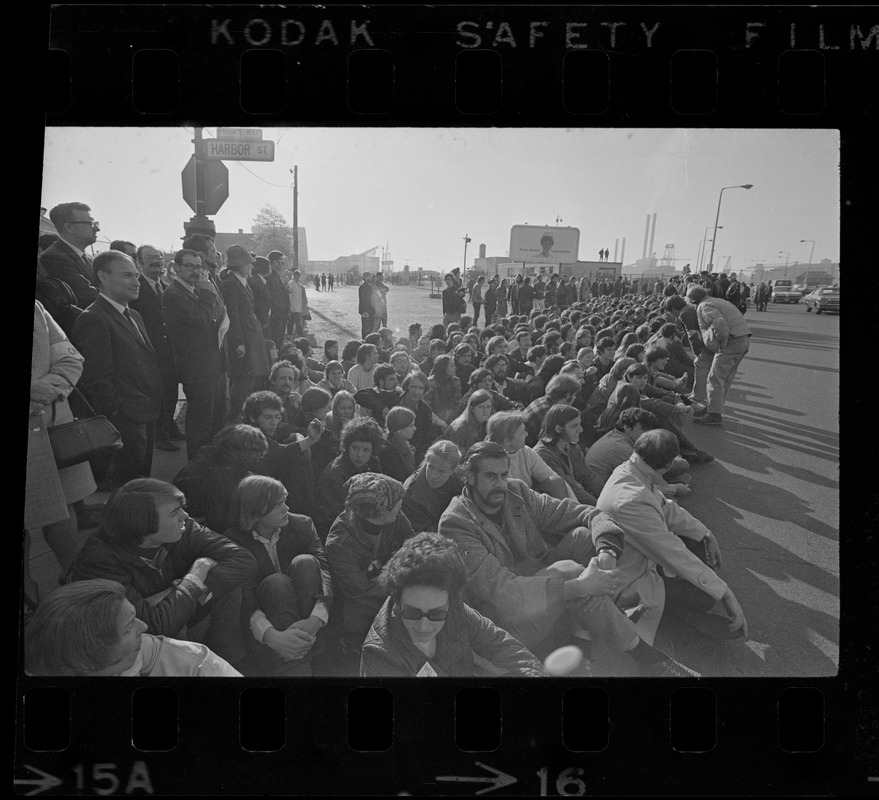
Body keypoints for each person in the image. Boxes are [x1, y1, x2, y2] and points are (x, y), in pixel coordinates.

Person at [438, 443, 699, 676]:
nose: (500, 484)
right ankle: (645, 654)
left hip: (539, 586)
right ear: (469, 477)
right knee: (568, 570)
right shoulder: (456, 524)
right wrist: (581, 586)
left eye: (504, 475)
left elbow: (588, 513)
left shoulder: (516, 493)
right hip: (503, 619)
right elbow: (503, 593)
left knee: (584, 538)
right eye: (490, 476)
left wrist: (606, 553)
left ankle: (581, 641)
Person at [69, 478, 257, 667]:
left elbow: (244, 560)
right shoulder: (99, 562)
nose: (185, 515)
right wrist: (196, 573)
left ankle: (234, 663)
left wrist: (179, 589)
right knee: (177, 630)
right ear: (143, 524)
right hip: (136, 649)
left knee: (230, 585)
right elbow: (155, 626)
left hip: (178, 614)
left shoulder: (184, 528)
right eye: (174, 512)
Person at [597, 429, 749, 644]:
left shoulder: (631, 471)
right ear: (668, 465)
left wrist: (706, 534)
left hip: (639, 559)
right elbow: (672, 552)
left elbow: (664, 507)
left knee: (697, 547)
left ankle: (678, 604)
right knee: (705, 596)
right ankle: (676, 613)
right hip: (629, 581)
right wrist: (725, 593)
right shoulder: (631, 500)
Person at [361, 531, 545, 677]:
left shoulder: (458, 611)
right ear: (396, 599)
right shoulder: (380, 657)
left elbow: (506, 648)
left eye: (437, 614)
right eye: (411, 612)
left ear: (452, 600)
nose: (424, 626)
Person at [224, 476, 333, 676]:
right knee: (277, 583)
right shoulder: (234, 539)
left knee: (306, 562)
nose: (286, 509)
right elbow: (245, 594)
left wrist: (316, 620)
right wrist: (273, 637)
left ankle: (296, 657)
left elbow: (324, 574)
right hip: (267, 617)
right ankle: (297, 662)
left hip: (307, 617)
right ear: (255, 513)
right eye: (277, 505)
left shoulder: (302, 525)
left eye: (284, 500)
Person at [71, 250, 162, 486]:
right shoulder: (94, 318)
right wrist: (119, 415)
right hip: (126, 419)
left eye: (136, 275)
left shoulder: (134, 315)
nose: (136, 282)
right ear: (103, 276)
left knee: (141, 482)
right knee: (128, 487)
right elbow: (96, 378)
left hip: (144, 411)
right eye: (127, 276)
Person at [25, 579, 241, 677]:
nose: (145, 626)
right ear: (86, 661)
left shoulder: (195, 666)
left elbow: (200, 663)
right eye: (129, 628)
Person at [27, 301, 98, 579]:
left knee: (62, 505)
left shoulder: (37, 308)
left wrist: (48, 388)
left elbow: (70, 358)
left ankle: (73, 578)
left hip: (51, 424)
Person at [325, 473, 414, 650]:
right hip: (362, 603)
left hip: (391, 586)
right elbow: (360, 592)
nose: (400, 507)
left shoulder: (394, 516)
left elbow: (413, 548)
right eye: (397, 505)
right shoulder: (339, 543)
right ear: (379, 513)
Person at [162, 249, 224, 460]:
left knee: (209, 419)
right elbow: (200, 320)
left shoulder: (192, 290)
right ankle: (197, 465)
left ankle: (204, 461)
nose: (195, 271)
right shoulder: (174, 294)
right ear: (177, 267)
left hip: (208, 363)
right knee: (200, 421)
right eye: (189, 266)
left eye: (198, 267)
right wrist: (207, 294)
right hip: (196, 367)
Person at [129, 244, 184, 451]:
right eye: (150, 258)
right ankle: (160, 435)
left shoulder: (166, 286)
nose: (156, 262)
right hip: (150, 350)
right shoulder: (137, 287)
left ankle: (170, 426)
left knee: (170, 391)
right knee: (157, 393)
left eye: (159, 258)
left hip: (168, 350)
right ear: (140, 262)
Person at [173, 425, 269, 534]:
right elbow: (219, 520)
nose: (257, 459)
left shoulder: (212, 455)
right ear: (242, 451)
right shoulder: (215, 476)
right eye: (256, 455)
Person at [687, 285, 752, 425]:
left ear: (692, 299)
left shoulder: (704, 306)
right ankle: (713, 408)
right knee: (725, 378)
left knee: (715, 378)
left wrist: (722, 341)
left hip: (731, 341)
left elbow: (719, 323)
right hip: (743, 339)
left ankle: (714, 414)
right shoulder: (718, 301)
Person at [221, 246, 271, 422]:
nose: (251, 266)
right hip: (244, 338)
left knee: (248, 378)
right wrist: (239, 342)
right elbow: (233, 315)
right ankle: (236, 417)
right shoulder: (230, 284)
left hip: (251, 335)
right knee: (241, 380)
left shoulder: (241, 281)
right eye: (248, 263)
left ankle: (241, 416)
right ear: (239, 265)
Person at [486, 411, 571, 501]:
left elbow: (552, 478)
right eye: (522, 432)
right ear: (507, 441)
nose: (527, 434)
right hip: (506, 505)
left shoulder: (525, 452)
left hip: (527, 501)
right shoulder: (488, 459)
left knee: (557, 482)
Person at [317, 417, 385, 527]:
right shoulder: (336, 474)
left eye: (366, 450)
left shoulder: (373, 462)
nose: (359, 455)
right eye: (355, 448)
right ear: (348, 446)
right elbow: (340, 515)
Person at [533, 404, 603, 504]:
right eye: (574, 426)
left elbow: (589, 476)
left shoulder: (573, 447)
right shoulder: (543, 455)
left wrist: (606, 496)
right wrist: (599, 506)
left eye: (580, 424)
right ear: (558, 429)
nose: (580, 430)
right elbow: (570, 488)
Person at [39, 202, 100, 308]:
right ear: (69, 227)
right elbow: (88, 297)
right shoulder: (54, 258)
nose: (97, 228)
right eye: (91, 223)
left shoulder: (88, 258)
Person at [402, 441, 463, 533]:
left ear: (452, 471)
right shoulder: (412, 492)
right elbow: (421, 532)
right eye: (431, 467)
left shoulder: (459, 481)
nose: (433, 475)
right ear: (426, 462)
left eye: (441, 471)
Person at [522, 374, 581, 447]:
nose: (574, 398)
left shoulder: (542, 400)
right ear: (568, 395)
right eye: (574, 395)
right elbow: (552, 442)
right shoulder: (551, 413)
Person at [400, 372, 447, 461]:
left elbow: (423, 439)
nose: (416, 392)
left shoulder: (426, 411)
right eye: (413, 387)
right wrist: (383, 408)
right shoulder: (394, 397)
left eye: (421, 388)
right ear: (407, 387)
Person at [446, 389, 493, 455]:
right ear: (472, 409)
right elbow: (456, 456)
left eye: (488, 407)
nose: (485, 411)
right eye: (481, 407)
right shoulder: (461, 428)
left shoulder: (487, 424)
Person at [379, 406, 418, 483]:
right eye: (411, 425)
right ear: (399, 428)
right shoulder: (389, 451)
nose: (415, 428)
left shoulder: (402, 445)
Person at [424, 354, 462, 424]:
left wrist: (451, 420)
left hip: (452, 420)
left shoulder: (456, 381)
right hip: (434, 421)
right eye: (452, 366)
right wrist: (440, 422)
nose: (455, 368)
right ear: (443, 368)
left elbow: (457, 403)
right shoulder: (431, 382)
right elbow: (427, 406)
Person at [266, 251, 291, 348]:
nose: (284, 265)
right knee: (276, 344)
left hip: (280, 317)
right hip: (276, 318)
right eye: (282, 262)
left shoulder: (275, 276)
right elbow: (273, 299)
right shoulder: (270, 278)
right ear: (275, 263)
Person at [287, 270, 309, 338]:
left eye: (299, 277)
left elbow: (300, 295)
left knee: (295, 320)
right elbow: (289, 296)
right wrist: (290, 306)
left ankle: (294, 333)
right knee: (295, 321)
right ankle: (297, 333)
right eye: (296, 277)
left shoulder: (299, 284)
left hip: (298, 305)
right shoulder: (291, 284)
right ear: (294, 276)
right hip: (293, 305)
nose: (298, 278)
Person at [359, 272, 378, 337]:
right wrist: (364, 311)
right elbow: (363, 300)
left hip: (370, 310)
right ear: (366, 278)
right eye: (370, 276)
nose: (372, 278)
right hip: (366, 310)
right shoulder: (363, 287)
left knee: (370, 327)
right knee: (366, 328)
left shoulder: (368, 286)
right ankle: (365, 342)